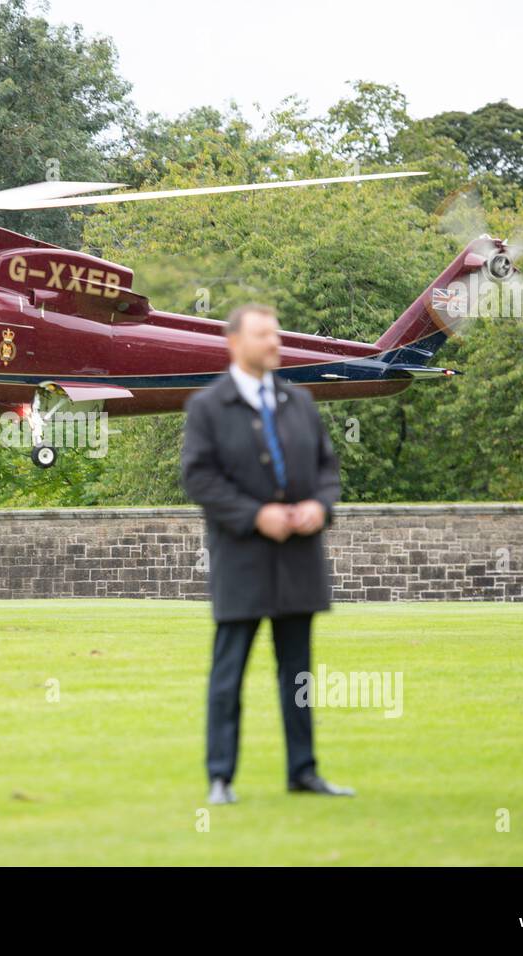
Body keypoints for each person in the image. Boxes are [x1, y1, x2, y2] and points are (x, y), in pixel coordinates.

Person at [181, 302, 354, 803]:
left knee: (298, 674)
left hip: (299, 559)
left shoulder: (299, 401)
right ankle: (220, 777)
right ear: (235, 343)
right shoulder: (208, 407)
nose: (275, 344)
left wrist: (320, 508)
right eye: (263, 336)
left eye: (276, 335)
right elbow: (200, 478)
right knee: (229, 671)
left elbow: (327, 468)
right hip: (241, 559)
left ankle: (303, 771)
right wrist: (256, 515)